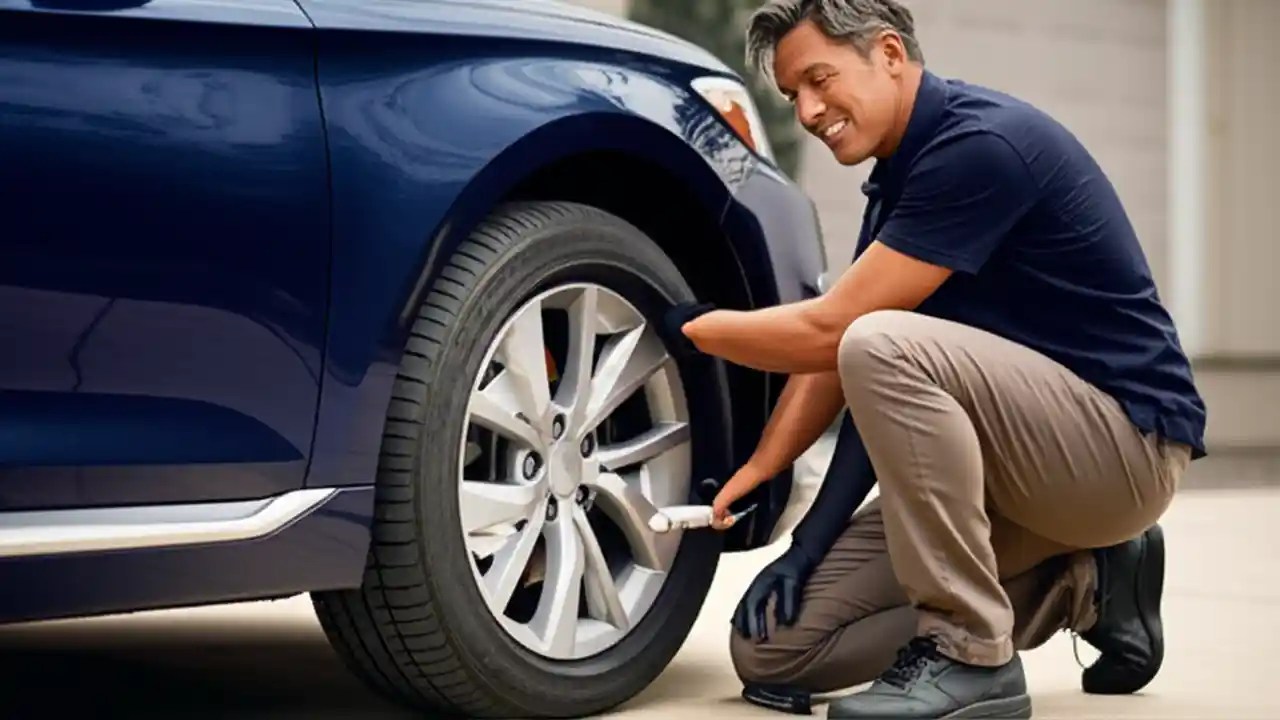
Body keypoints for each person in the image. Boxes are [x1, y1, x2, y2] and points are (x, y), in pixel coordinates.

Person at [658, 1, 1208, 718]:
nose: (809, 111)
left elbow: (840, 335)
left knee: (876, 340)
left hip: (1119, 452)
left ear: (888, 52)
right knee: (775, 650)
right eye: (794, 95)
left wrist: (697, 328)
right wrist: (784, 505)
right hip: (1014, 474)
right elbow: (845, 373)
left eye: (820, 80)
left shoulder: (981, 148)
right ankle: (1090, 583)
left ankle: (969, 656)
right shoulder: (900, 182)